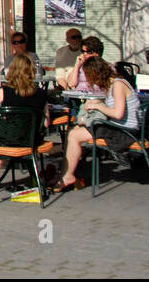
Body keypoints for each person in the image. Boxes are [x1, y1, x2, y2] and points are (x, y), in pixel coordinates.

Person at [55, 56, 139, 192]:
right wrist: (97, 103)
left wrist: (98, 107)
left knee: (74, 135)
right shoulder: (112, 84)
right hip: (116, 126)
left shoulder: (118, 85)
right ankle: (65, 173)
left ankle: (68, 176)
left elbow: (118, 113)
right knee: (74, 129)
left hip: (124, 131)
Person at [0, 53, 49, 187]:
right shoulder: (41, 94)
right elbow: (47, 123)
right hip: (31, 141)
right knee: (0, 145)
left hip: (8, 139)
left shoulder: (5, 92)